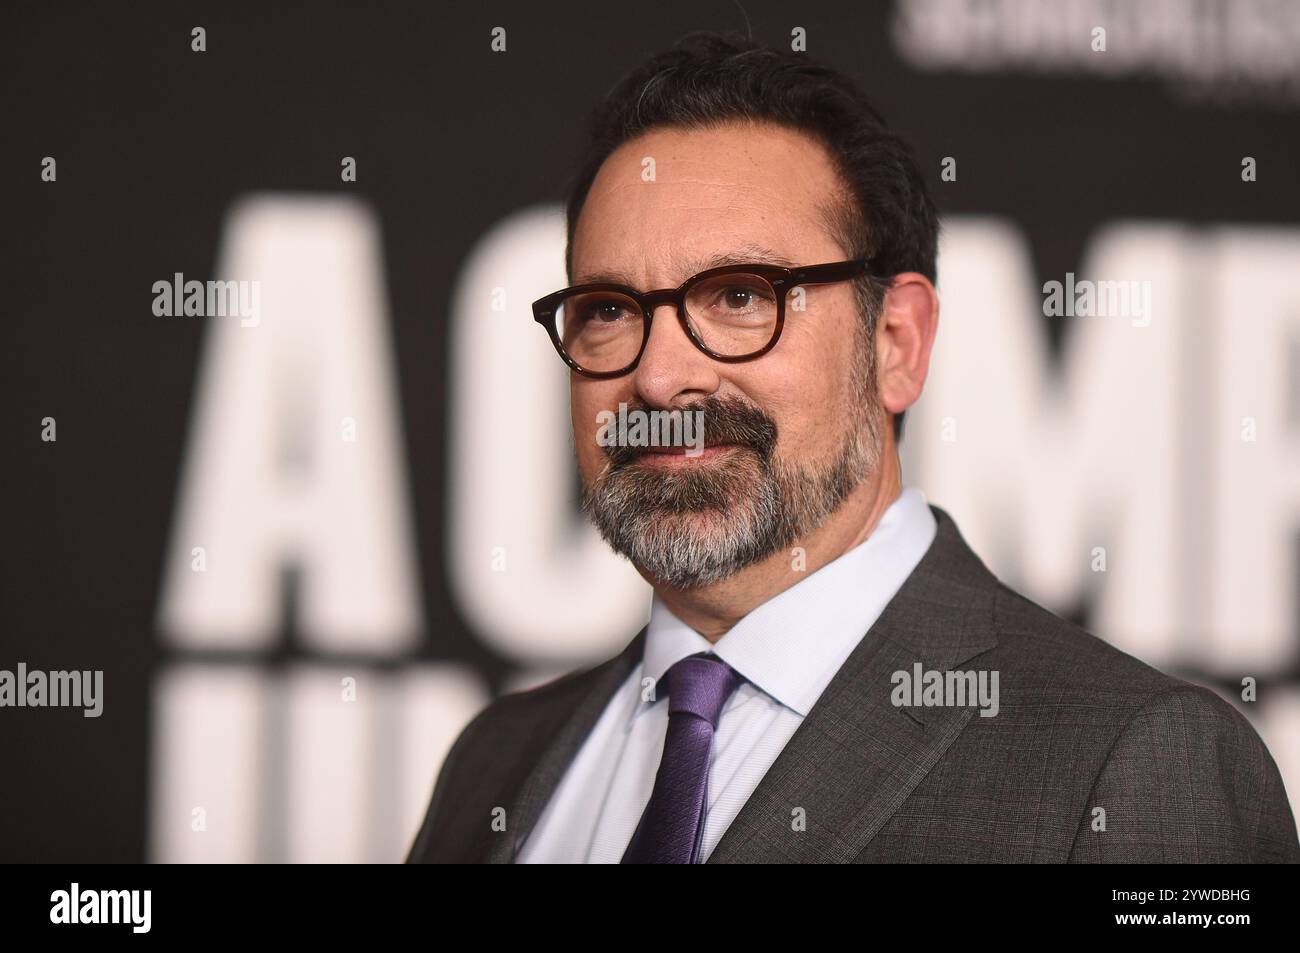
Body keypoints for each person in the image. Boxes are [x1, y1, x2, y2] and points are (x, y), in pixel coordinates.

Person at [407, 31, 1298, 863]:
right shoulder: (496, 764)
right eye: (608, 310)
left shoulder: (1134, 764)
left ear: (896, 343)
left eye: (740, 296)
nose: (660, 377)